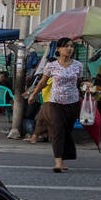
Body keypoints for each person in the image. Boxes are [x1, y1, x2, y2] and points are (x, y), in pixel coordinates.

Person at [23, 37, 83, 172]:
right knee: (58, 129)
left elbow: (79, 82)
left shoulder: (78, 65)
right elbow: (43, 82)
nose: (69, 49)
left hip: (72, 102)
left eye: (71, 46)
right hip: (55, 102)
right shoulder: (51, 66)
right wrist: (33, 94)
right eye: (66, 46)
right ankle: (58, 162)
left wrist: (86, 85)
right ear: (59, 49)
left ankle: (63, 160)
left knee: (67, 131)